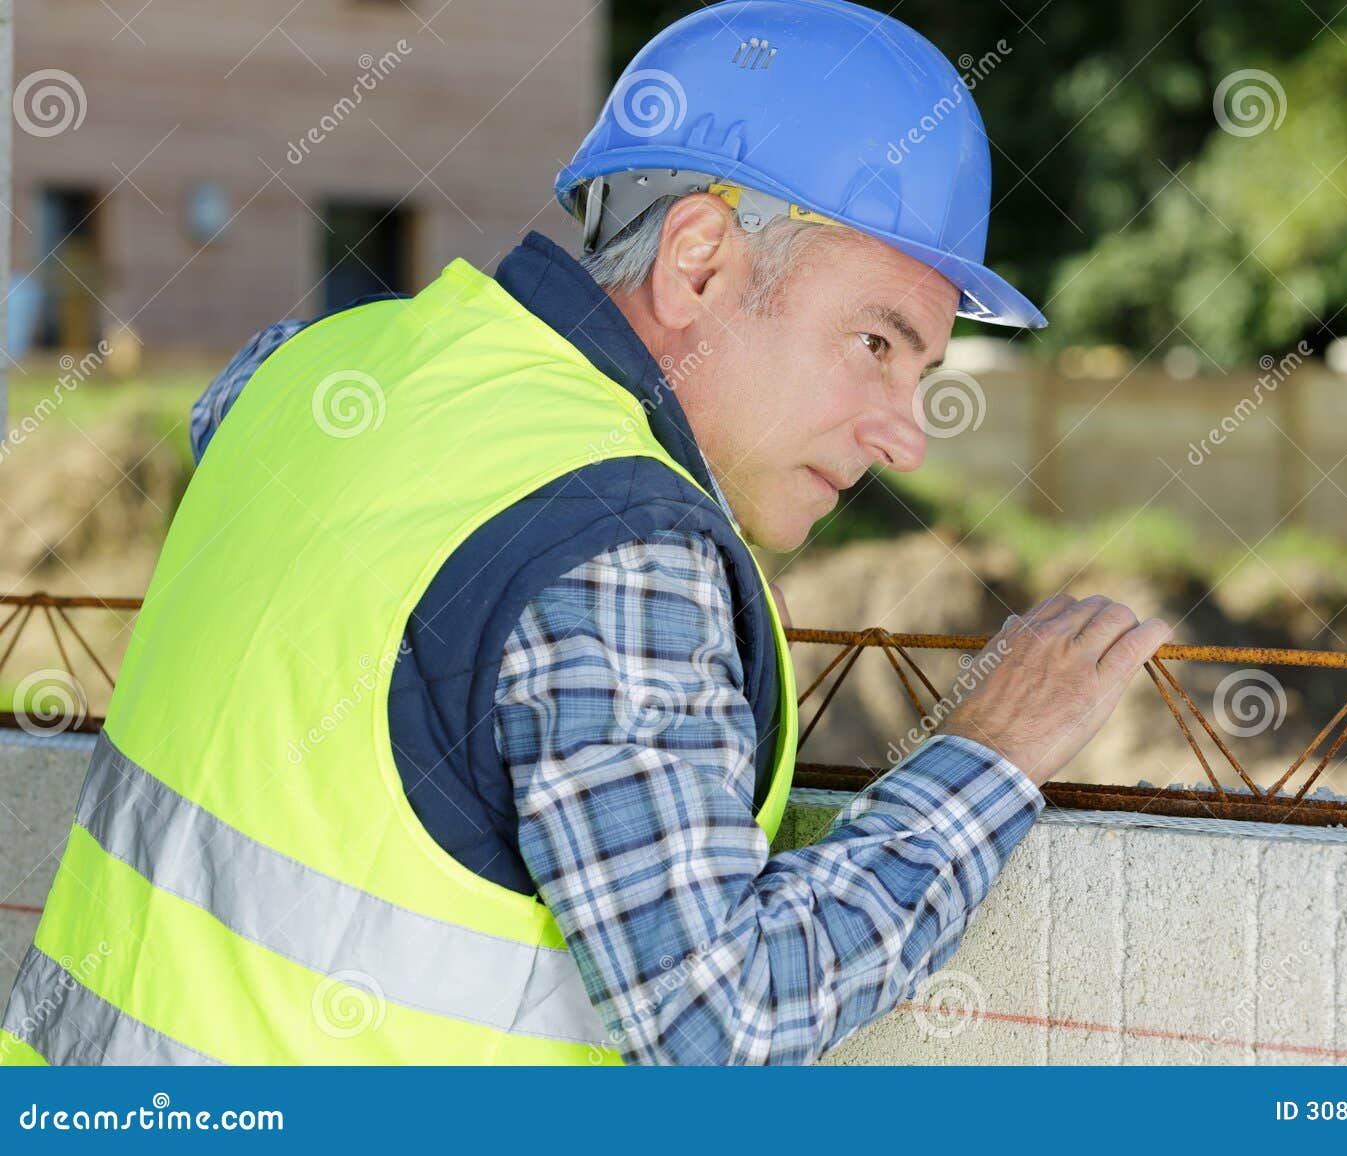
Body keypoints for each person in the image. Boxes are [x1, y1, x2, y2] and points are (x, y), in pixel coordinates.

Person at [1, 0, 1168, 1066]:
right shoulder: (617, 545)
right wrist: (987, 757)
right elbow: (724, 1014)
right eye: (876, 343)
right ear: (699, 261)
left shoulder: (304, 370)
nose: (907, 437)